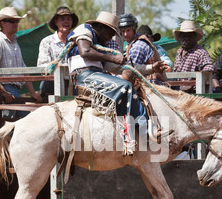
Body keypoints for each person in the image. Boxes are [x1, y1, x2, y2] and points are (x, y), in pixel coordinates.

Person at [66, 11, 155, 156]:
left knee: (132, 88)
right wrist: (113, 58)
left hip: (96, 74)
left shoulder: (100, 47)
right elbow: (84, 51)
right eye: (110, 33)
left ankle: (144, 128)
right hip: (84, 76)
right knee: (125, 86)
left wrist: (151, 68)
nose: (110, 37)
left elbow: (122, 68)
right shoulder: (84, 30)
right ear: (101, 28)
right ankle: (128, 134)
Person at [0, 7, 42, 119]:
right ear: (2, 23)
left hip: (14, 90)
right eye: (12, 21)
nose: (15, 24)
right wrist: (3, 92)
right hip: (4, 89)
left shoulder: (15, 42)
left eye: (17, 21)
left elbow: (23, 69)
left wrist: (32, 92)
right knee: (11, 124)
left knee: (21, 123)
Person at [37, 6, 79, 100]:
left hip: (73, 85)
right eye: (62, 19)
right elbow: (42, 66)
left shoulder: (77, 41)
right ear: (56, 22)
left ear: (72, 22)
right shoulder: (47, 41)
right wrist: (58, 68)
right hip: (51, 85)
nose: (66, 22)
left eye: (68, 19)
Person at [118, 13, 167, 84]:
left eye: (128, 30)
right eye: (123, 31)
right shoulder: (135, 43)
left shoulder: (137, 46)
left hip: (151, 86)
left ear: (134, 29)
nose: (125, 34)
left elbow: (132, 72)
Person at [172, 20, 214, 93]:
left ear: (195, 37)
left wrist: (192, 84)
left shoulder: (200, 52)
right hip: (179, 90)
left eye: (189, 36)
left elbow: (209, 68)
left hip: (195, 91)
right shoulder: (179, 51)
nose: (186, 38)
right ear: (180, 38)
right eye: (184, 36)